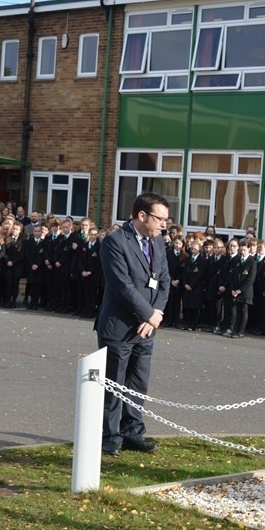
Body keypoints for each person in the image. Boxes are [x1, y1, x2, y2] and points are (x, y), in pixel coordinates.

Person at [96, 192, 170, 456]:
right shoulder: (114, 242)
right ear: (142, 215)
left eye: (166, 220)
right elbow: (122, 286)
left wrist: (156, 314)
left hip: (147, 327)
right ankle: (109, 436)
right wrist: (148, 314)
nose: (164, 225)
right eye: (160, 219)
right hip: (119, 326)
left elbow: (163, 279)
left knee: (138, 383)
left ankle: (133, 433)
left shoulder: (158, 241)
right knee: (114, 383)